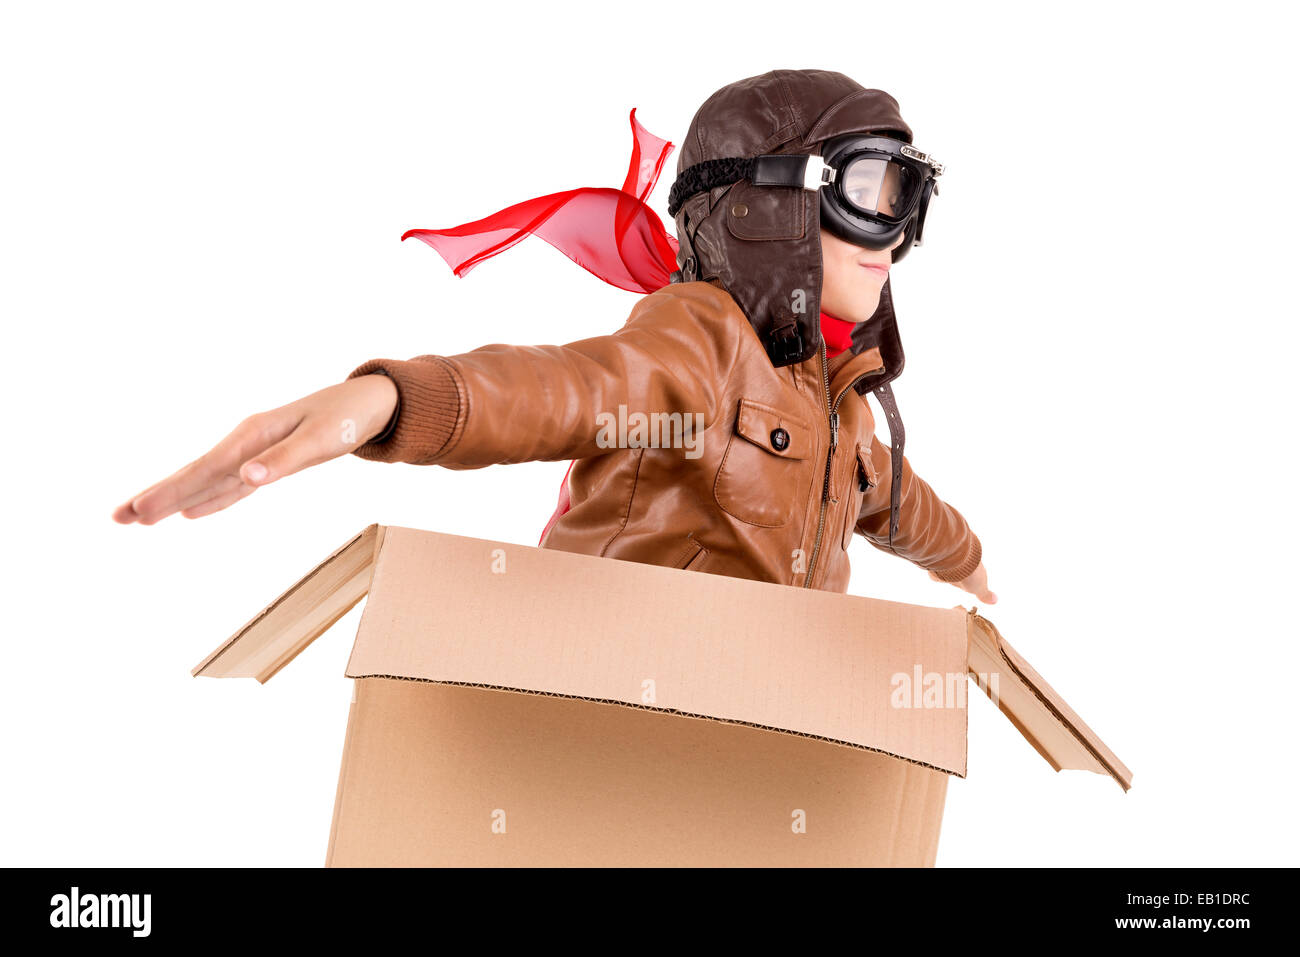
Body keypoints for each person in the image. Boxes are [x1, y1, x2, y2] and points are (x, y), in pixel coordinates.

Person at [112, 69, 995, 604]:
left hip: (741, 718)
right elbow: (571, 390)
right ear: (769, 205)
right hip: (605, 702)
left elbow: (895, 500)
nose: (892, 232)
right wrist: (386, 400)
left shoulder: (840, 399)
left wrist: (972, 567)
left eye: (905, 201)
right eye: (869, 190)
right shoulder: (702, 342)